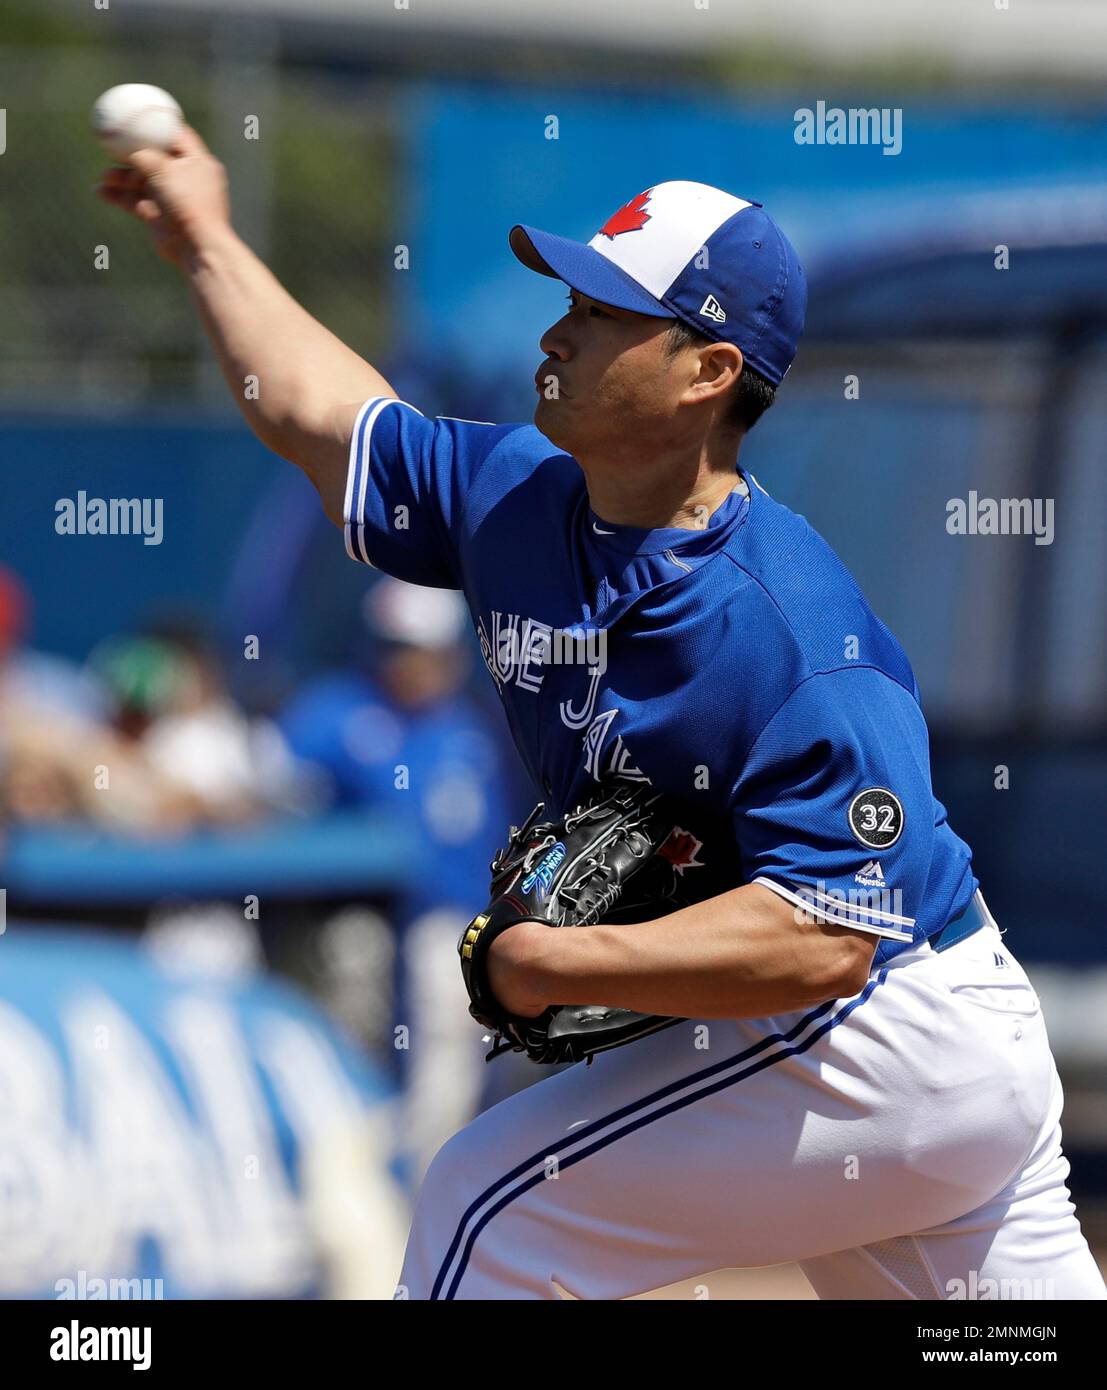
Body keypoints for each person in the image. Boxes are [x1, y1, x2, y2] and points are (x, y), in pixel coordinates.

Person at [97, 133, 1105, 1301]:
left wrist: (554, 959)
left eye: (607, 313)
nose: (556, 333)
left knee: (483, 1203)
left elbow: (827, 937)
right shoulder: (517, 492)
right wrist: (206, 239)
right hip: (879, 1051)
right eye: (570, 297)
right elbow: (325, 416)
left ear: (707, 372)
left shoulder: (784, 625)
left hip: (890, 1028)